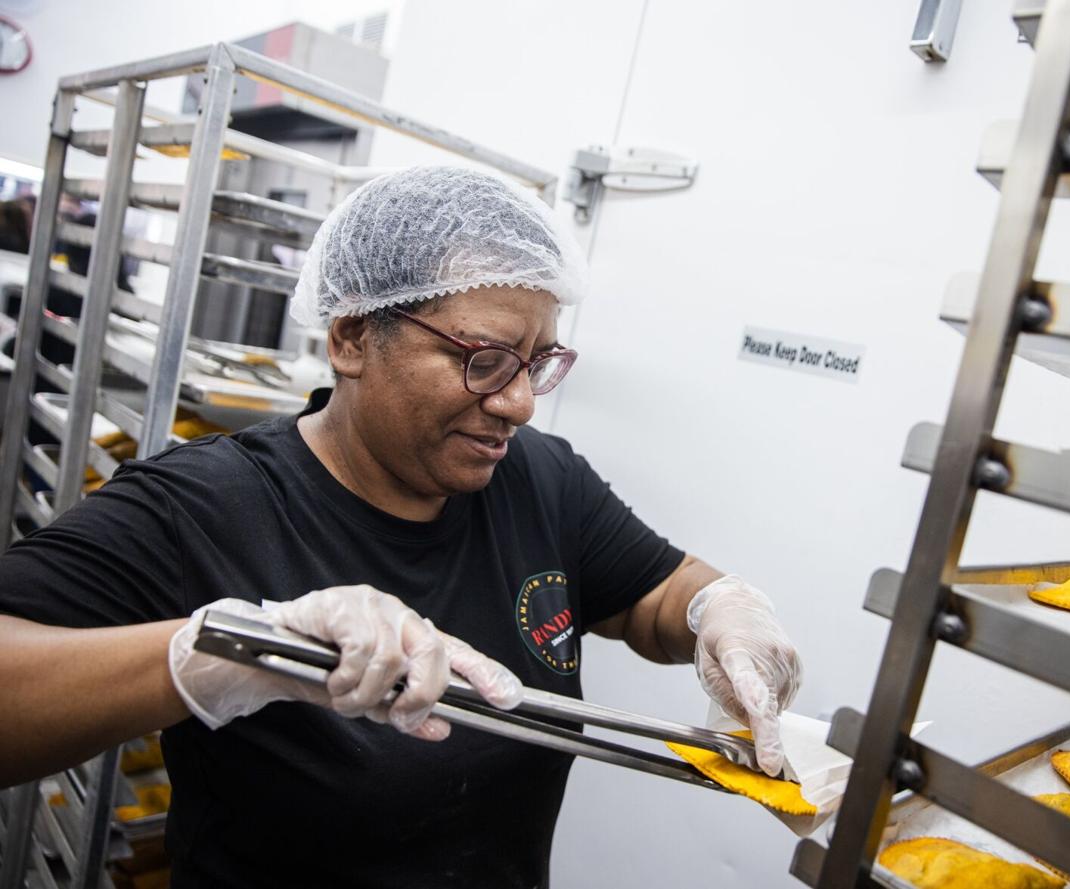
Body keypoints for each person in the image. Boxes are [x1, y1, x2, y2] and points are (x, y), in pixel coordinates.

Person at [0, 166, 802, 888]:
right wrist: (219, 654)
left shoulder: (540, 478)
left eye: (538, 361)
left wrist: (721, 613)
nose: (519, 401)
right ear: (351, 337)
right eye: (484, 357)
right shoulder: (206, 505)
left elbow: (656, 593)